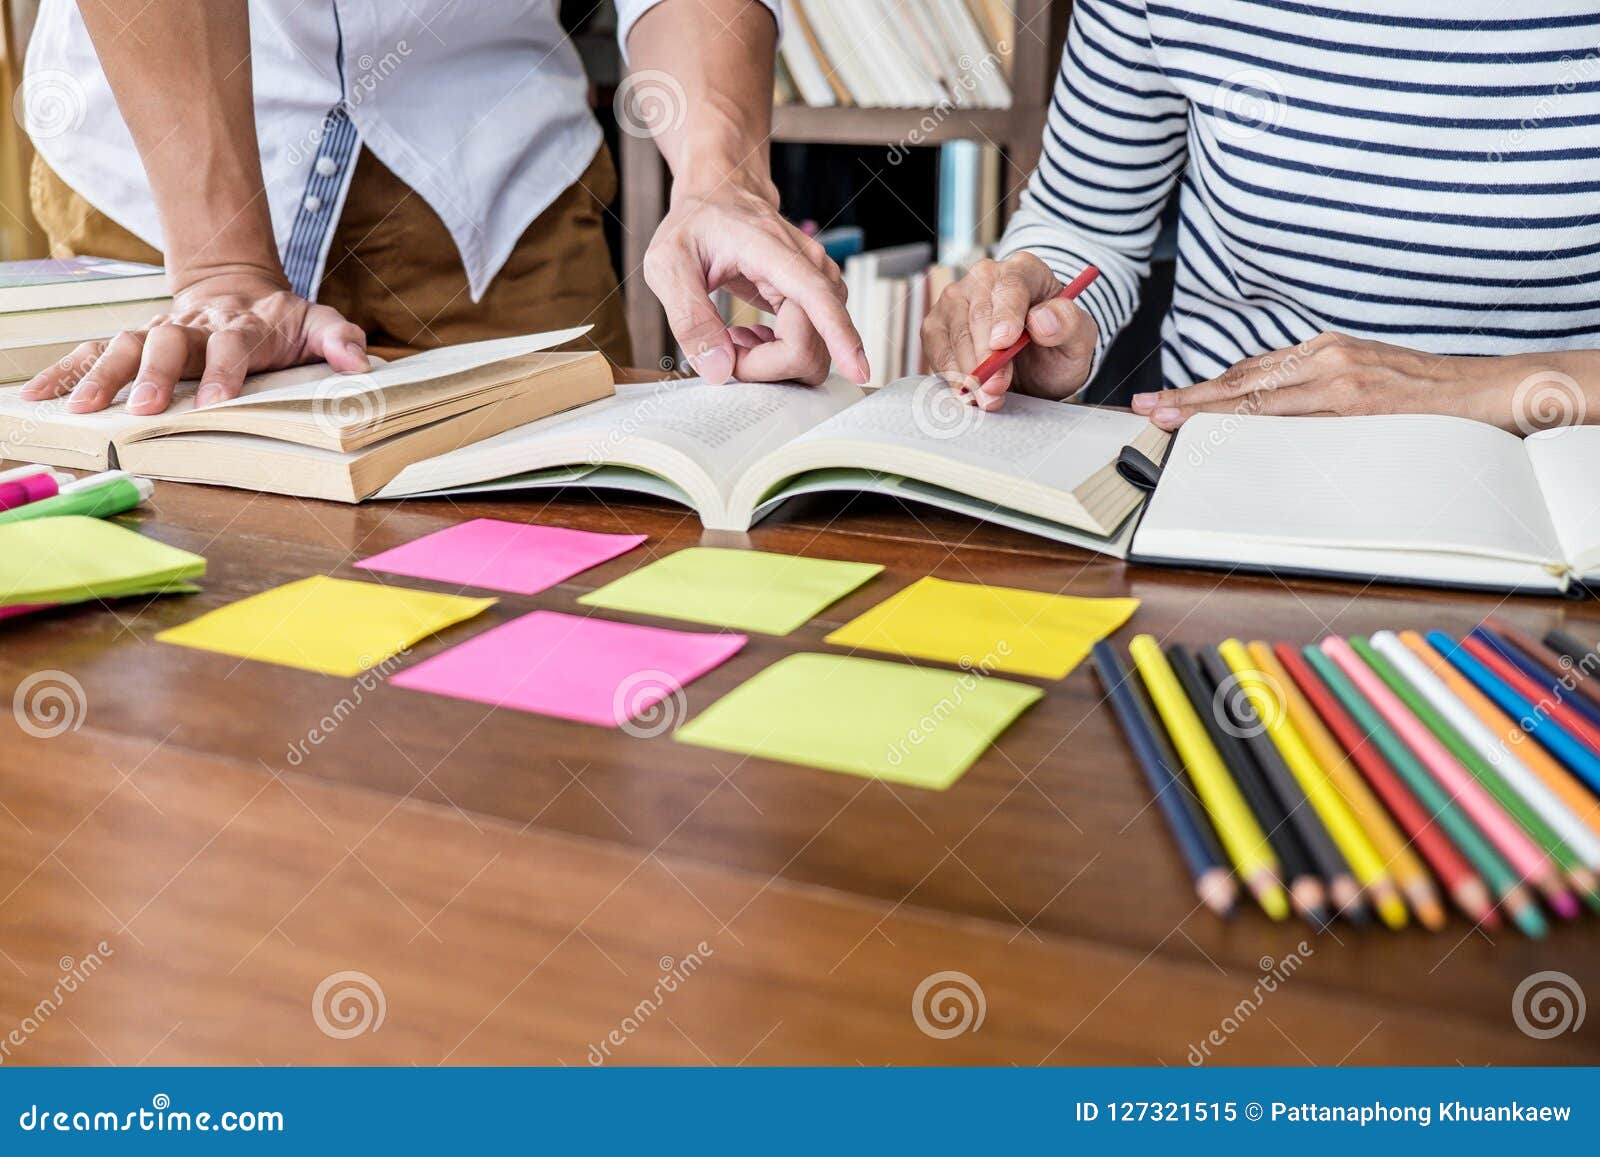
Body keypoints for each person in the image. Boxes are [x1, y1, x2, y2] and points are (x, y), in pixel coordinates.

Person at [17, 0, 867, 416]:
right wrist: (221, 267)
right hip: (165, 159)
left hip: (497, 179)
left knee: (565, 583)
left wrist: (723, 180)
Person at [922, 1, 1600, 432]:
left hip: (1558, 484)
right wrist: (1038, 305)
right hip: (1223, 465)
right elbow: (1086, 220)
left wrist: (1479, 390)